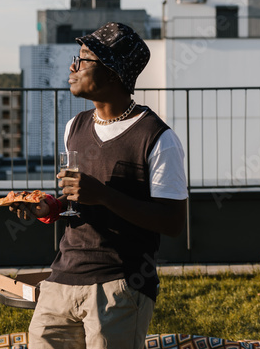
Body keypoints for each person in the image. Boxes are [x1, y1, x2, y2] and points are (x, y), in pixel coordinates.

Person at [10, 22, 188, 349]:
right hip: (62, 279)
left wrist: (104, 195)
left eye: (83, 60)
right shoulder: (74, 126)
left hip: (119, 286)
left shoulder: (158, 139)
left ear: (112, 72)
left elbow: (173, 222)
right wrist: (49, 207)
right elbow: (76, 199)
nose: (72, 67)